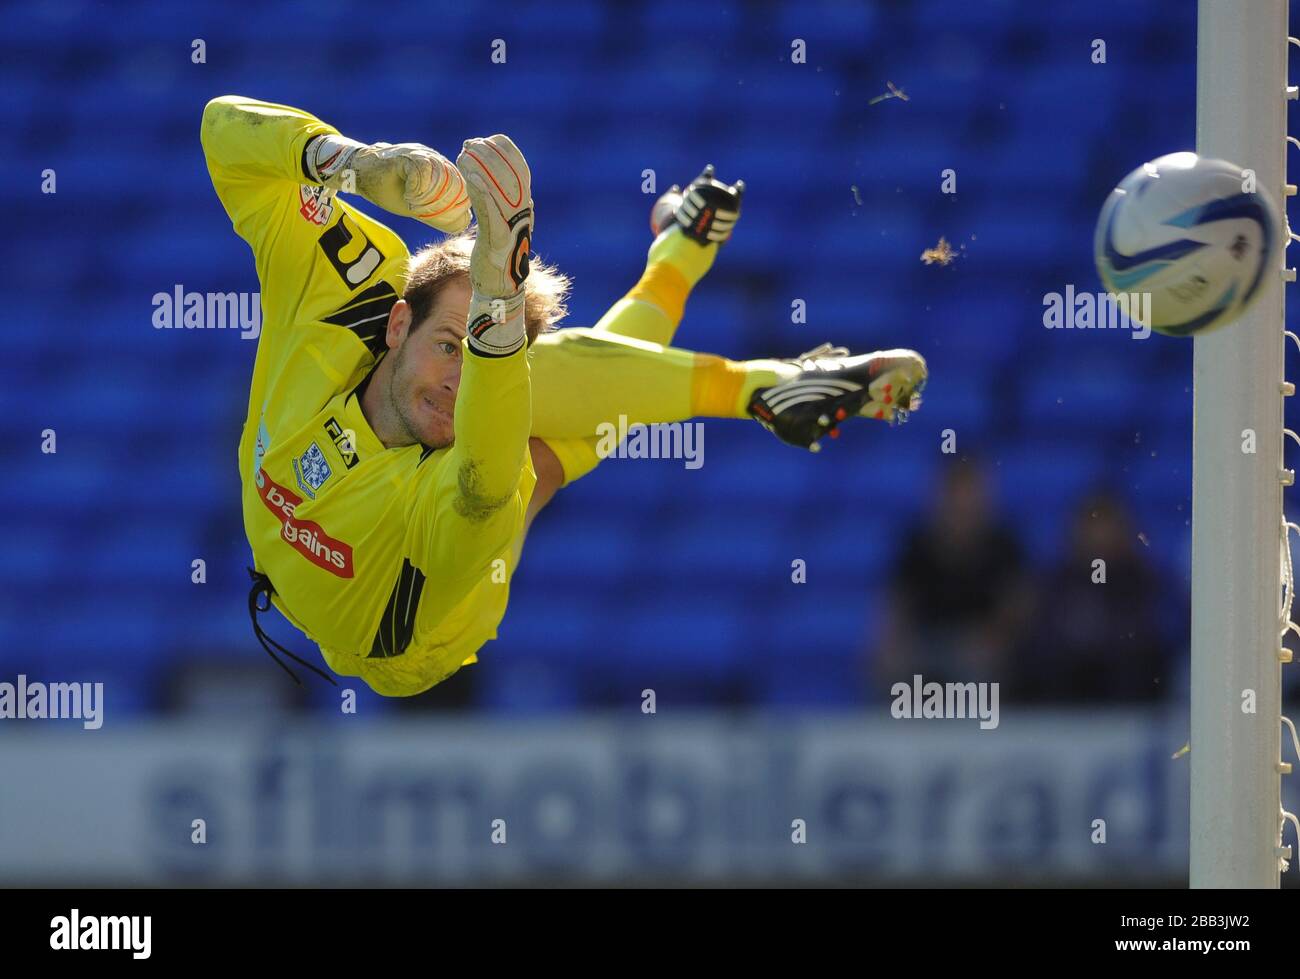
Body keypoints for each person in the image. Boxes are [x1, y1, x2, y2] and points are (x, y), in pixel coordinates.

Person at [201, 95, 927, 696]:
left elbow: (483, 480)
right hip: (342, 605)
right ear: (397, 322)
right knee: (550, 410)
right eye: (445, 345)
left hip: (404, 632)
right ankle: (705, 303)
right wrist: (357, 164)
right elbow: (221, 131)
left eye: (473, 346)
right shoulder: (346, 287)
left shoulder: (448, 469)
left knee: (536, 437)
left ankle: (754, 376)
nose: (457, 377)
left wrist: (496, 300)